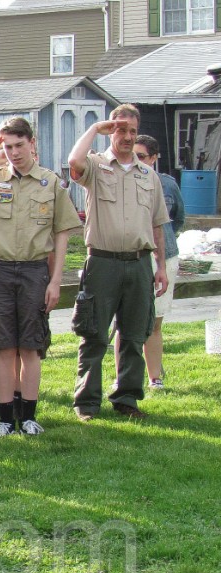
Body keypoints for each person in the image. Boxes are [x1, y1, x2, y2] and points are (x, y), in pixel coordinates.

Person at [0, 117, 81, 436]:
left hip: (36, 270)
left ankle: (30, 417)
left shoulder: (50, 183)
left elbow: (62, 232)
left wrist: (55, 279)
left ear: (32, 143)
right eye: (7, 147)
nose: (13, 152)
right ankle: (6, 418)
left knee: (31, 348)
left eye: (19, 145)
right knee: (4, 346)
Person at [68, 104, 170, 420]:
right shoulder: (97, 166)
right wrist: (95, 130)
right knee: (95, 334)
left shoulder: (149, 176)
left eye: (131, 131)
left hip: (139, 264)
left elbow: (157, 224)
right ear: (111, 130)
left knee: (134, 334)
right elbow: (74, 161)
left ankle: (127, 398)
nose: (126, 137)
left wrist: (161, 266)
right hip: (103, 263)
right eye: (120, 129)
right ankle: (87, 403)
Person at [113, 134, 184, 391]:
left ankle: (156, 378)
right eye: (134, 155)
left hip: (164, 257)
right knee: (125, 322)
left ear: (154, 158)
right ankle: (122, 377)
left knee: (155, 321)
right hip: (132, 256)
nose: (136, 159)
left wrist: (163, 246)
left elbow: (178, 219)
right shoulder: (121, 179)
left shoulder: (167, 184)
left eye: (142, 156)